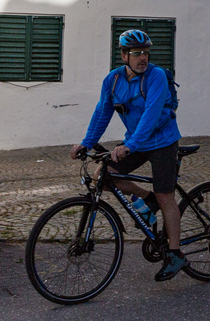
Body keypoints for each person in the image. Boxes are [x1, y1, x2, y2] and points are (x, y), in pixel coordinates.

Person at [73, 29, 188, 281]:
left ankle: (175, 253)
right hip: (136, 141)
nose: (142, 58)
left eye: (145, 52)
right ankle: (146, 197)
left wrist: (129, 145)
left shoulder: (155, 76)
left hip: (163, 142)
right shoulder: (113, 81)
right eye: (136, 53)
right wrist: (86, 142)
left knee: (166, 195)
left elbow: (151, 115)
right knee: (102, 175)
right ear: (123, 55)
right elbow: (102, 113)